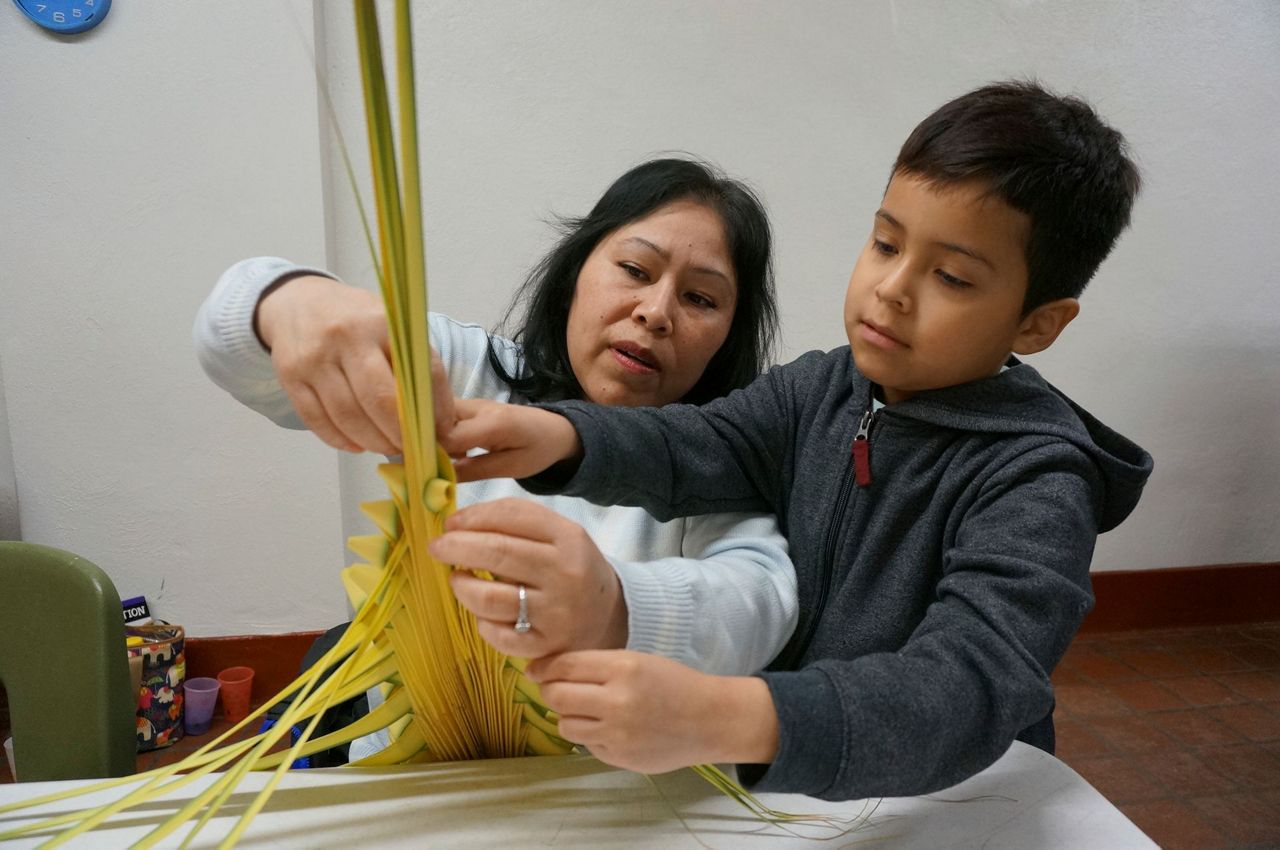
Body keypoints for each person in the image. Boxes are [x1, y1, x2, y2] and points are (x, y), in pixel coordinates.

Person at [427, 81, 1154, 798]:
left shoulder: (1041, 480)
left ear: (1038, 324)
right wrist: (559, 434)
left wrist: (732, 716)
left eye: (953, 277)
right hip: (795, 788)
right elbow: (701, 443)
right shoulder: (822, 388)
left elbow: (965, 686)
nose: (892, 288)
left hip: (949, 807)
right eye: (885, 242)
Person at [194, 157, 799, 757]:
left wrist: (613, 603)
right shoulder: (463, 374)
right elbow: (231, 340)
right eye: (635, 269)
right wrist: (289, 303)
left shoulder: (716, 466)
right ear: (576, 272)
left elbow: (759, 604)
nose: (656, 312)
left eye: (700, 298)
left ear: (728, 336)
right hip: (401, 795)